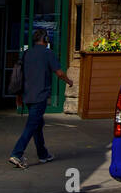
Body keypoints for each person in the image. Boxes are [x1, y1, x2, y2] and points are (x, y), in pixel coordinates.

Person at [8, 29, 73, 169]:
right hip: (40, 95)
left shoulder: (27, 54)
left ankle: (43, 154)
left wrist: (18, 96)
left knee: (37, 124)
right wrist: (69, 81)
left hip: (27, 95)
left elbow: (20, 77)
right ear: (45, 40)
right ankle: (16, 153)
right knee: (32, 125)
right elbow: (59, 72)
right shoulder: (48, 53)